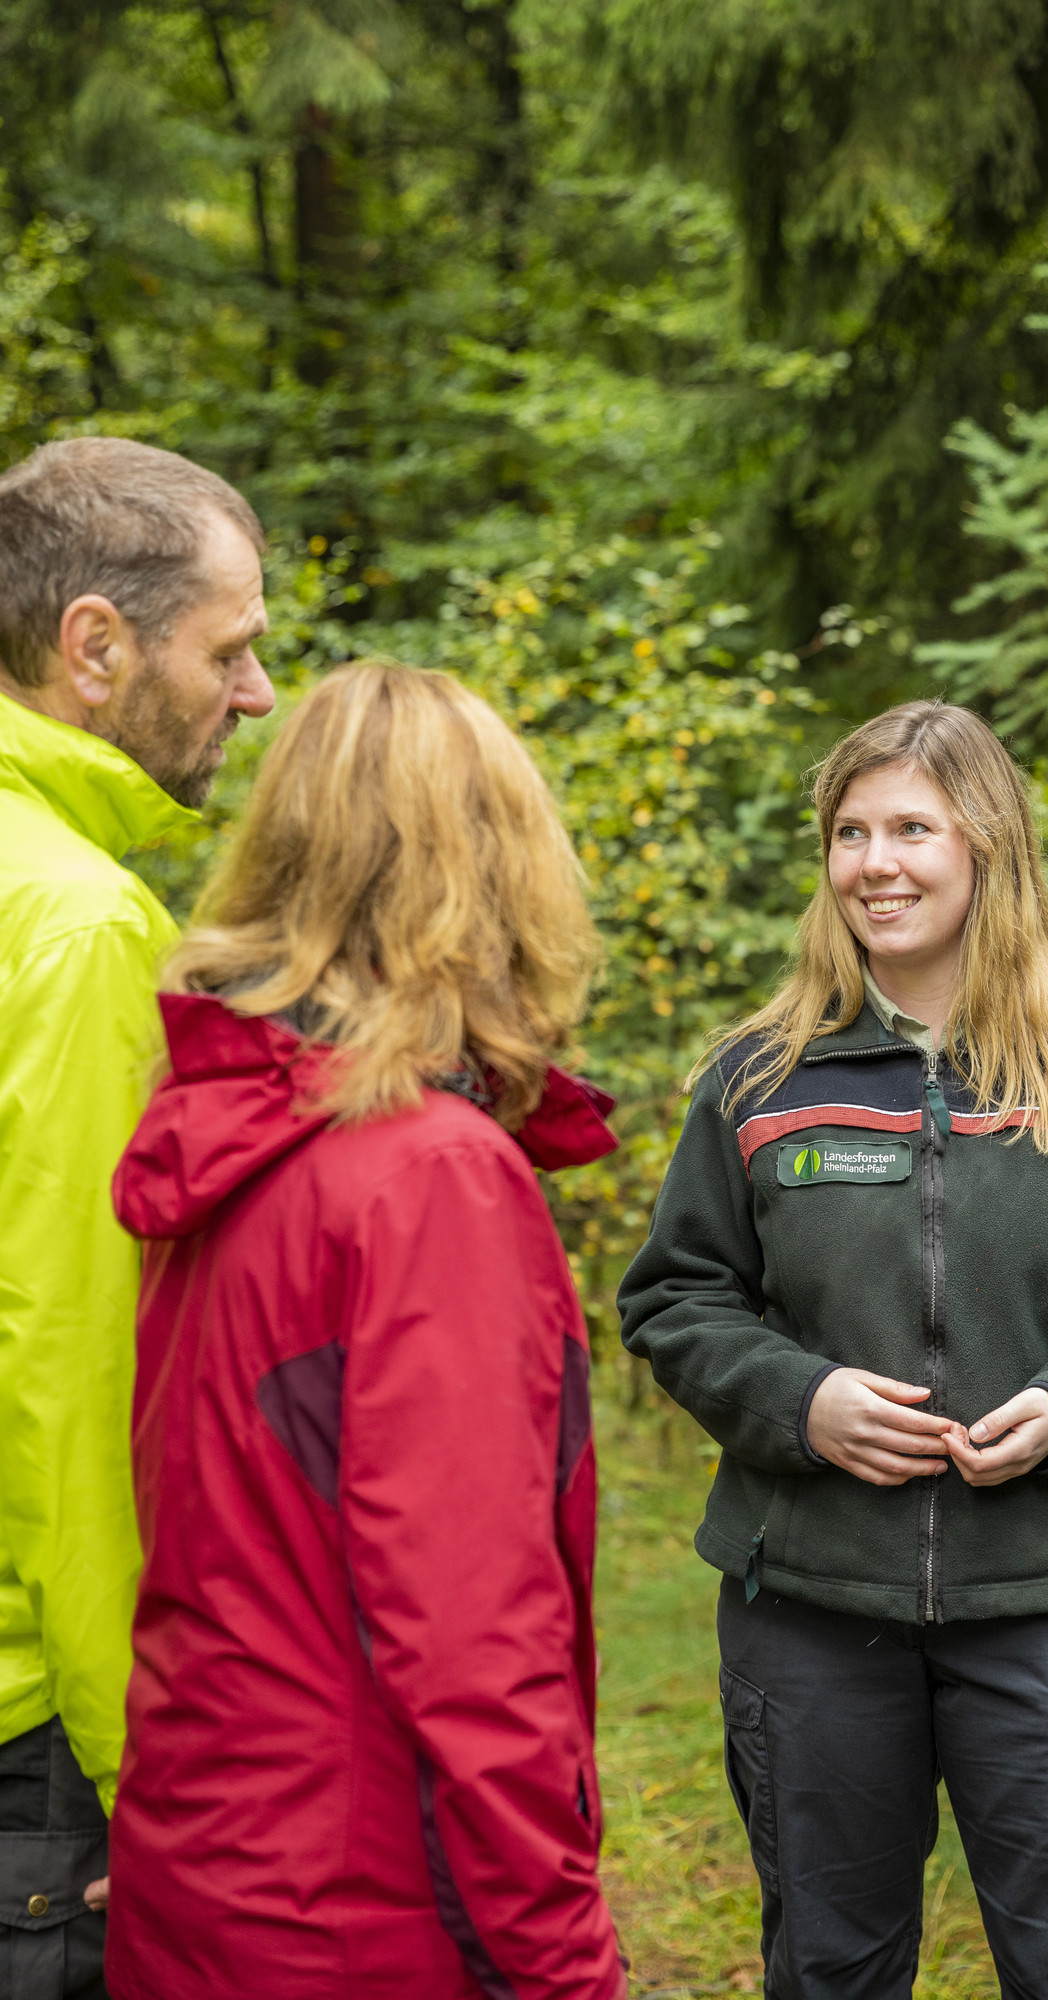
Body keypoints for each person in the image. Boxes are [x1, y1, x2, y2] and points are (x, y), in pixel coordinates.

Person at [618, 701, 1048, 2000]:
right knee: (829, 1970)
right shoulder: (757, 1075)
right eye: (849, 832)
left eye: (911, 827)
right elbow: (677, 1297)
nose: (875, 863)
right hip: (807, 1609)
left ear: (986, 846)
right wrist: (803, 1403)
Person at [105, 662, 628, 2000]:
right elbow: (469, 1641)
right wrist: (566, 1966)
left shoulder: (225, 1128)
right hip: (364, 1911)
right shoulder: (428, 1177)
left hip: (209, 1872)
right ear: (502, 875)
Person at [0, 437, 274, 1997]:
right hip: (34, 1729)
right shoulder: (83, 924)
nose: (252, 693)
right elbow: (76, 1371)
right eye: (228, 649)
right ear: (94, 646)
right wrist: (140, 1759)